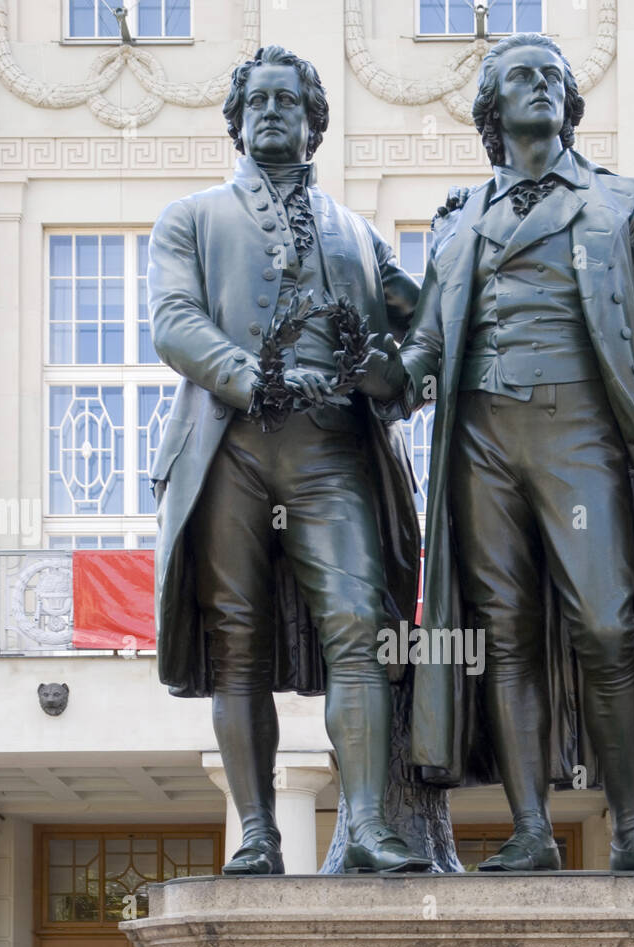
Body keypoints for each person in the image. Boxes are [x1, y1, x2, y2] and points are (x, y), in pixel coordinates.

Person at [378, 33, 634, 875]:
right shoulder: (462, 218)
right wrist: (372, 372)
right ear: (493, 110)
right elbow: (426, 348)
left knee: (608, 625)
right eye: (518, 79)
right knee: (503, 635)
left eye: (551, 78)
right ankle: (531, 828)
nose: (538, 87)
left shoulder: (623, 202)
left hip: (584, 430)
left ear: (569, 103)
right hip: (481, 441)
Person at [147, 46, 430, 874]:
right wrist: (251, 378)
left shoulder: (360, 235)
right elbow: (172, 320)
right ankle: (259, 835)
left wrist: (390, 373)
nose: (272, 111)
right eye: (258, 101)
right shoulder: (191, 218)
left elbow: (423, 338)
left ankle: (371, 826)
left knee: (359, 628)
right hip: (228, 446)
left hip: (331, 452)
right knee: (237, 642)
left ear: (314, 123)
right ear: (236, 121)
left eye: (290, 101)